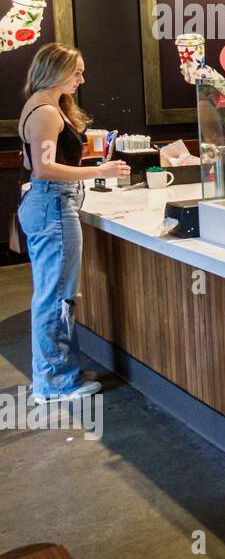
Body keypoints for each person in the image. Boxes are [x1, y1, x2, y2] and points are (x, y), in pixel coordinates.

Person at [17, 44, 129, 404]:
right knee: (56, 297)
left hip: (45, 203)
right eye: (77, 72)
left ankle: (61, 369)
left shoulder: (38, 104)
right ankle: (55, 382)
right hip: (53, 205)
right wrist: (102, 170)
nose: (82, 79)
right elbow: (44, 168)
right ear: (56, 71)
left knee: (54, 293)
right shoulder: (47, 112)